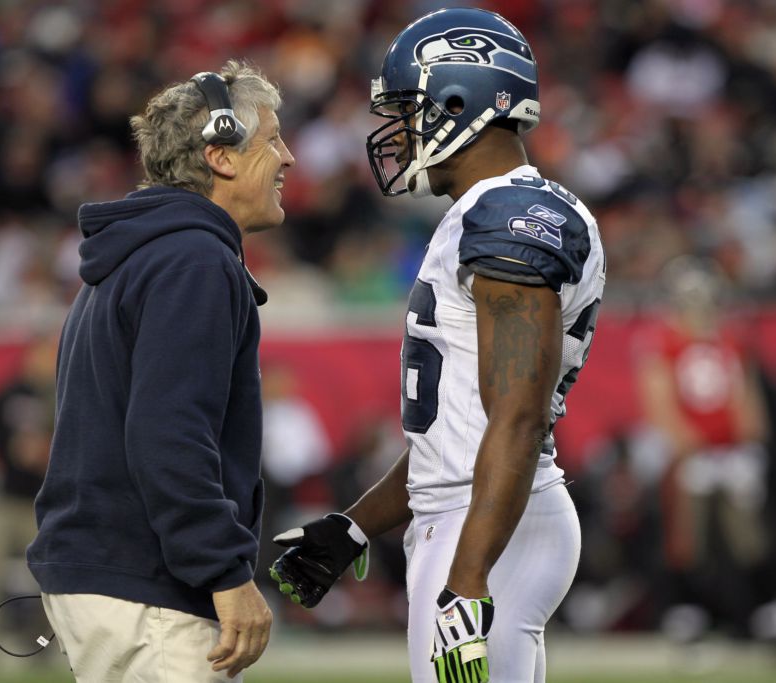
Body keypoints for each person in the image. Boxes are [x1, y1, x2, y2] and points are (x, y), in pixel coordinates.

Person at [271, 9, 605, 682]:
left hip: (488, 526)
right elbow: (457, 432)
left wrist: (469, 578)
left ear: (460, 101)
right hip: (478, 512)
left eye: (412, 108)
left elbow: (517, 415)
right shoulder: (483, 214)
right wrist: (356, 526)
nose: (401, 128)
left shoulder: (508, 218)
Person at [27, 59, 294, 682]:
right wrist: (224, 571)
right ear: (222, 156)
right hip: (149, 585)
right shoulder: (193, 261)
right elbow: (168, 435)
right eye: (273, 139)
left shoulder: (149, 254)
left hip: (115, 575)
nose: (288, 159)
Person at [634, 256, 769, 639]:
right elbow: (658, 398)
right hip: (690, 454)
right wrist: (684, 440)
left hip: (729, 452)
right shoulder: (663, 338)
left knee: (745, 536)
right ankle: (685, 609)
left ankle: (749, 611)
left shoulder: (729, 337)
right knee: (687, 535)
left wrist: (749, 437)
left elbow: (745, 394)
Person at [0, 333, 56, 652]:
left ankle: (40, 643)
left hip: (44, 502)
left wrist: (44, 452)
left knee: (50, 577)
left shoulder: (61, 395)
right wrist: (12, 447)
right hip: (6, 497)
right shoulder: (8, 393)